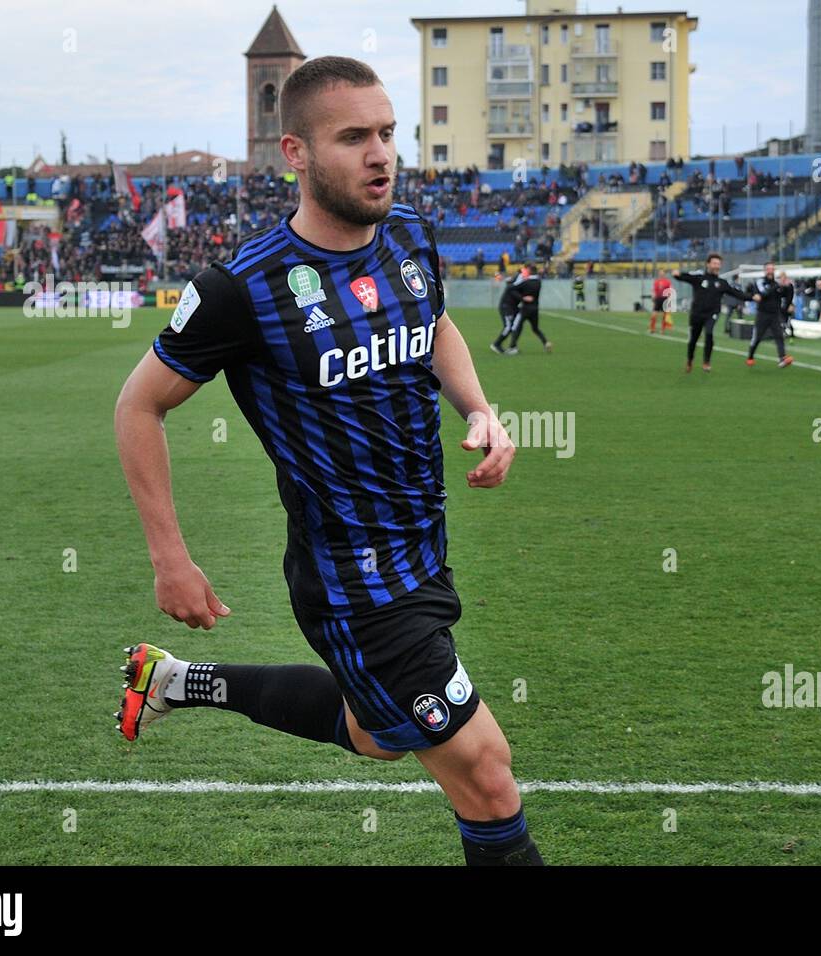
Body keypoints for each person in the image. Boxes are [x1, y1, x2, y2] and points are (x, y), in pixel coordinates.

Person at [112, 57, 543, 867]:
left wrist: (480, 410)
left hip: (425, 550)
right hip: (355, 581)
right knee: (486, 773)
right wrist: (170, 558)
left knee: (378, 737)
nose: (380, 153)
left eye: (387, 133)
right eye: (354, 138)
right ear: (296, 153)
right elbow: (139, 405)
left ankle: (174, 683)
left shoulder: (411, 232)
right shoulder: (243, 286)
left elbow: (435, 323)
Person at [674, 252, 743, 373]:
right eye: (715, 263)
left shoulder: (722, 283)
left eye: (719, 264)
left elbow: (737, 293)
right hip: (697, 314)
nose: (717, 266)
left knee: (709, 333)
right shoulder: (700, 277)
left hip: (712, 313)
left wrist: (752, 297)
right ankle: (690, 360)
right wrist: (677, 275)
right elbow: (686, 277)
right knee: (693, 340)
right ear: (708, 264)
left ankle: (706, 362)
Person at [744, 261, 794, 368]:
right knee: (757, 337)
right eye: (768, 269)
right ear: (764, 270)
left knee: (779, 336)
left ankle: (782, 358)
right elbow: (763, 294)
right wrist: (777, 286)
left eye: (772, 269)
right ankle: (750, 356)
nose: (770, 271)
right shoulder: (760, 282)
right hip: (762, 314)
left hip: (775, 314)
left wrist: (789, 286)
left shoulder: (777, 284)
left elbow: (787, 295)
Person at [506, 262, 550, 353]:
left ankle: (512, 347)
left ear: (529, 270)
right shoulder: (538, 282)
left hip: (525, 309)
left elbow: (511, 288)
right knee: (535, 328)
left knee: (516, 326)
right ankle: (546, 342)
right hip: (535, 309)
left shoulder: (526, 282)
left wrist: (510, 282)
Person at [491, 263, 531, 355]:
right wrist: (523, 298)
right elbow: (512, 289)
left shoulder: (522, 277)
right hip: (506, 306)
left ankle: (513, 346)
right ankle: (496, 344)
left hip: (513, 306)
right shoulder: (520, 276)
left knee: (517, 325)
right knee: (508, 326)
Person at [649, 269, 674, 333]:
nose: (661, 274)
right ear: (659, 274)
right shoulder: (656, 282)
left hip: (665, 299)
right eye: (660, 273)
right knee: (654, 314)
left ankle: (662, 329)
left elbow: (670, 290)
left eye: (662, 273)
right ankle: (652, 328)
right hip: (658, 299)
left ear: (664, 274)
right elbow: (653, 290)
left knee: (664, 315)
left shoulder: (667, 282)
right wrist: (653, 296)